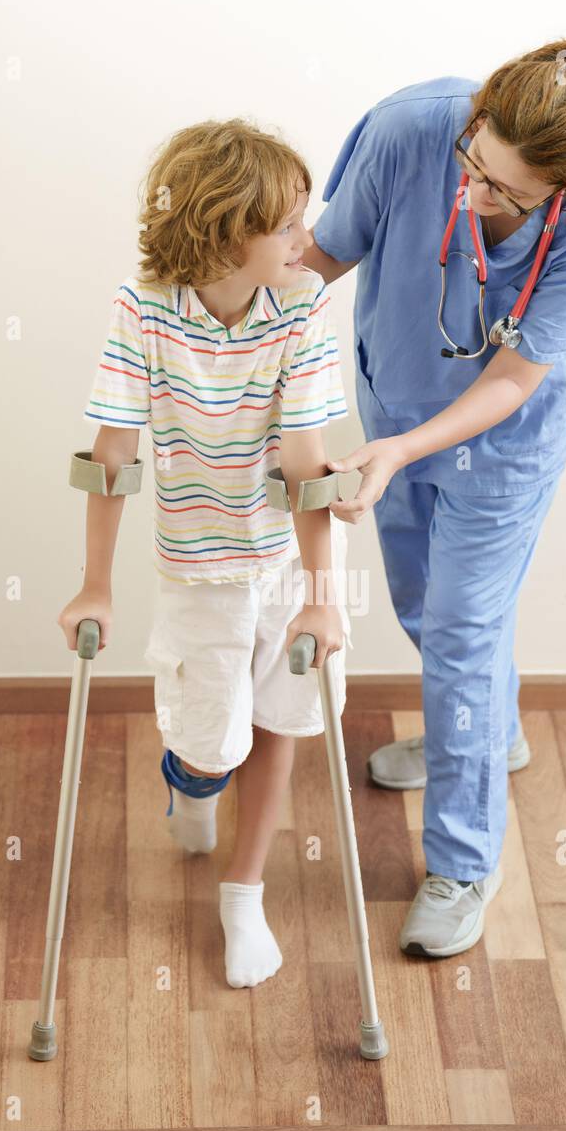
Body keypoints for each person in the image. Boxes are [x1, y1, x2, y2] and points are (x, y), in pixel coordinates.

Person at [302, 33, 566, 958]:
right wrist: (217, 314)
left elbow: (512, 379)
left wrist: (401, 449)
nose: (474, 194)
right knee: (422, 608)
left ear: (561, 193)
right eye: (474, 163)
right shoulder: (413, 131)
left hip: (504, 446)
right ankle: (489, 737)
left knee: (461, 632)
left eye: (506, 193)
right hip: (393, 407)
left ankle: (461, 861)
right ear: (477, 117)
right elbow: (323, 257)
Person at [58, 119, 353, 989]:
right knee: (209, 750)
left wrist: (322, 597)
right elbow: (111, 458)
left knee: (281, 719)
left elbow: (305, 464)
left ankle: (243, 889)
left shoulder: (302, 302)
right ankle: (190, 785)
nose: (311, 238)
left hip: (284, 561)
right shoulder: (143, 305)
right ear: (230, 234)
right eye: (291, 225)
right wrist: (94, 589)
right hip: (197, 569)